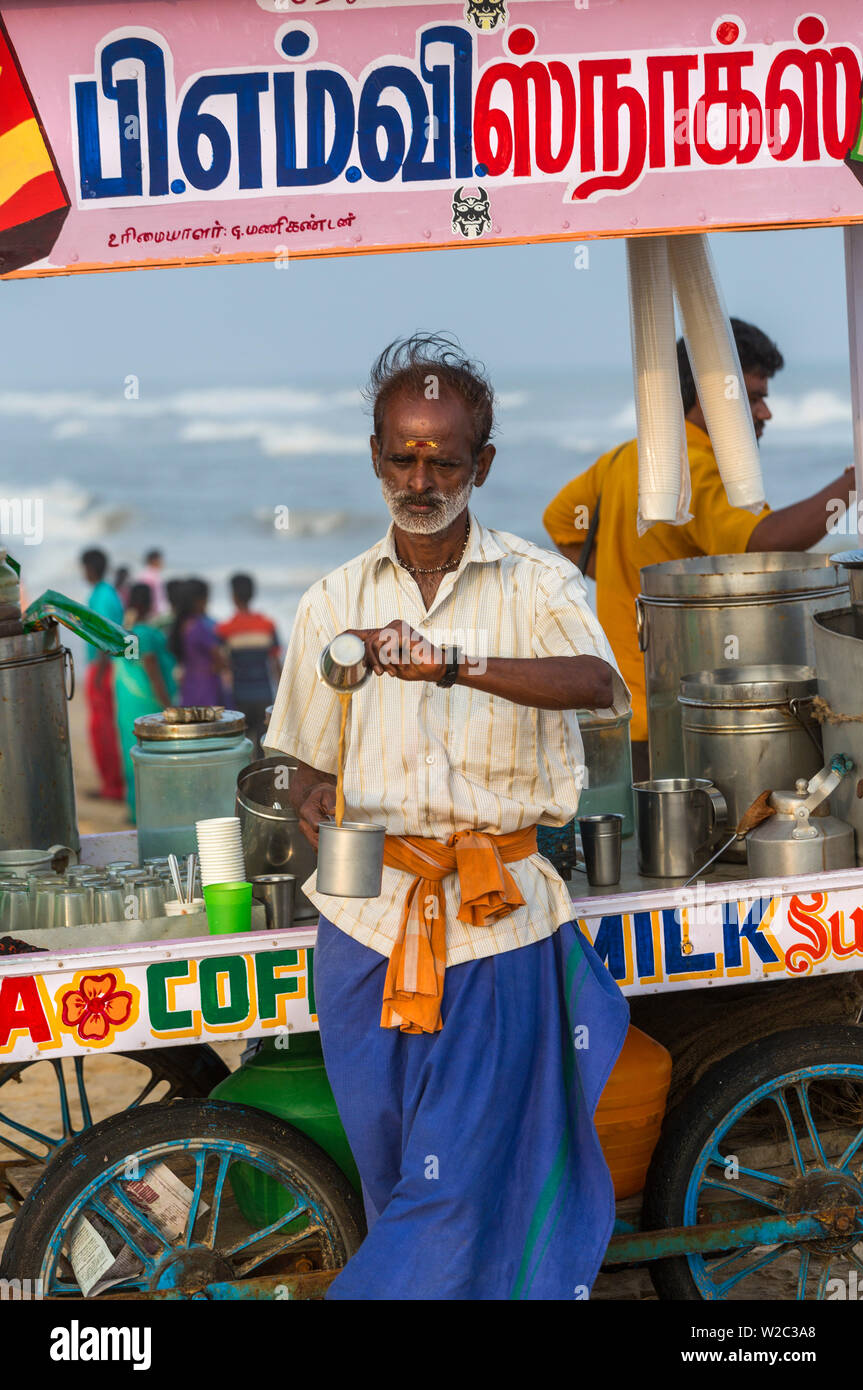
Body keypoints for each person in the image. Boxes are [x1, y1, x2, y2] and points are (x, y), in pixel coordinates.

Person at [267, 334, 631, 1301]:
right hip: (364, 924)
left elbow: (599, 683)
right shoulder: (329, 601)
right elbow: (296, 758)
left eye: (445, 458)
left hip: (494, 919)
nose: (421, 477)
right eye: (402, 455)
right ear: (376, 453)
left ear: (485, 464)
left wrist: (455, 661)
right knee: (399, 1183)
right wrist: (302, 793)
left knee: (459, 1186)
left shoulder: (537, 582)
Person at [542, 320, 856, 781]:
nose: (765, 412)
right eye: (751, 398)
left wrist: (620, 577)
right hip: (683, 715)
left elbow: (560, 520)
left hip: (620, 710)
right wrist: (853, 483)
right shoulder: (696, 466)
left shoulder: (626, 457)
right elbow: (763, 543)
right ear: (710, 398)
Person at [113, 583, 177, 819]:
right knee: (153, 754)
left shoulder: (124, 632)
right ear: (148, 603)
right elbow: (151, 667)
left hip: (127, 702)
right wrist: (167, 703)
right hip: (148, 702)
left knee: (132, 753)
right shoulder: (147, 633)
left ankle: (135, 809)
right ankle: (153, 811)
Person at [216, 574, 281, 754]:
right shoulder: (267, 625)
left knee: (241, 750)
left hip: (239, 696)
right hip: (264, 695)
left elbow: (223, 666)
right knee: (263, 750)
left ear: (233, 596)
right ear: (253, 594)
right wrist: (283, 696)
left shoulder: (225, 629)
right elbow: (276, 663)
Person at [80, 548, 125, 801]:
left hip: (102, 667)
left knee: (102, 727)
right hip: (104, 666)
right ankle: (111, 783)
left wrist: (100, 670)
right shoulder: (105, 592)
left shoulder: (102, 595)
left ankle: (112, 786)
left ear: (91, 568)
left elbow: (106, 635)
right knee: (103, 726)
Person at [169, 578, 226, 707]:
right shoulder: (199, 627)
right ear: (198, 601)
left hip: (189, 685)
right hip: (206, 686)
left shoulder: (180, 625)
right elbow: (218, 658)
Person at [135, 549, 168, 616]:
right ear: (154, 560)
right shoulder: (153, 576)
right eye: (160, 560)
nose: (162, 562)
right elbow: (156, 599)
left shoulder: (142, 574)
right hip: (153, 614)